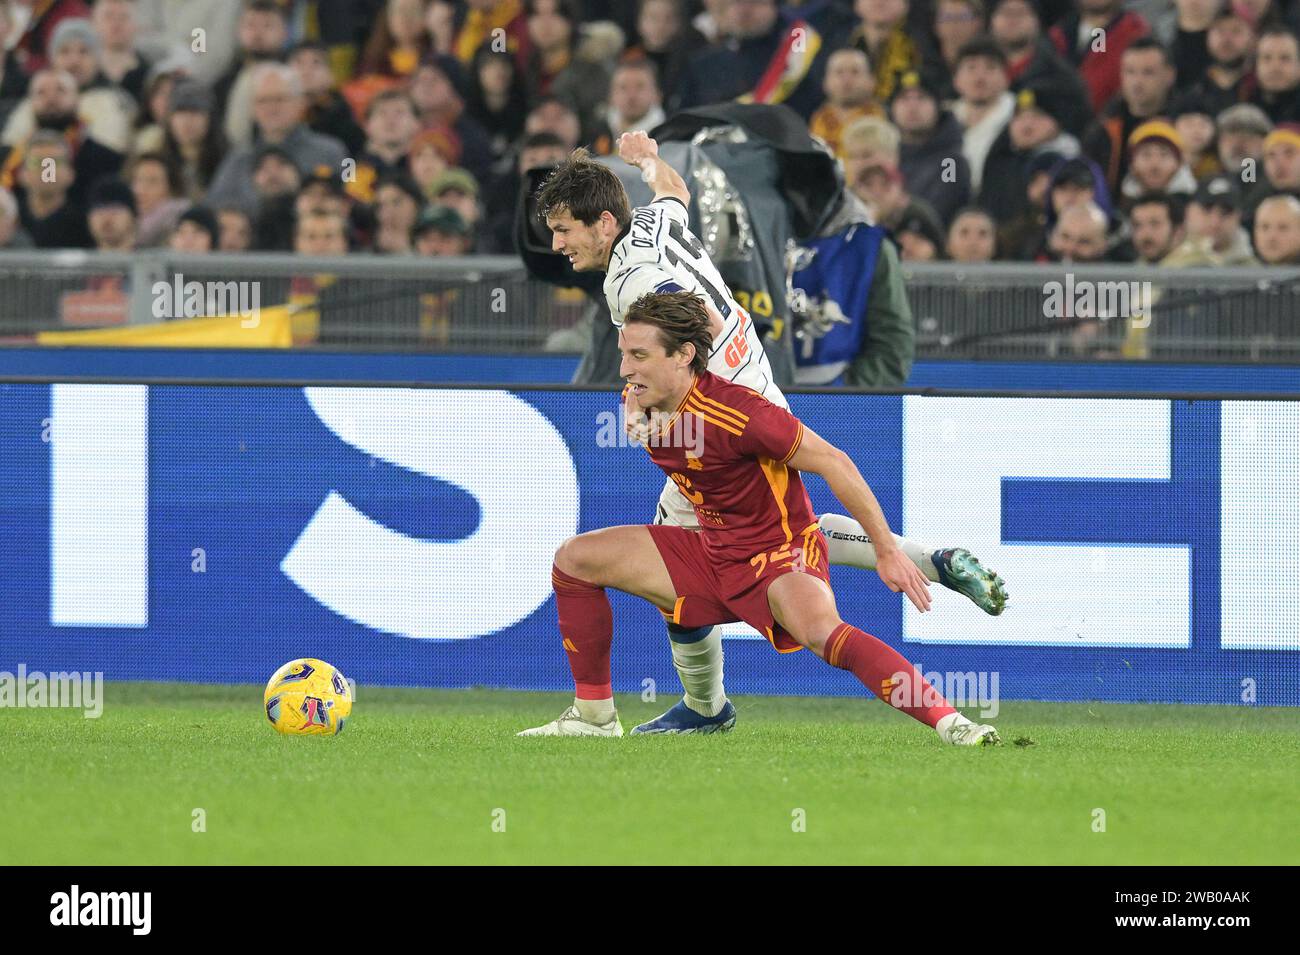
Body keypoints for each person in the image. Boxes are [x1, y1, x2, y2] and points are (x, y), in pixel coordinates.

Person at [530, 134, 1008, 734]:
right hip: (758, 392)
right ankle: (928, 559)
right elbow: (674, 190)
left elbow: (685, 322)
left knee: (702, 563)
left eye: (564, 230)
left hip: (713, 415)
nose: (557, 245)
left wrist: (653, 403)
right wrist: (647, 159)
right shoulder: (652, 223)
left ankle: (700, 708)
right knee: (772, 525)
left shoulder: (634, 287)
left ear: (603, 223)